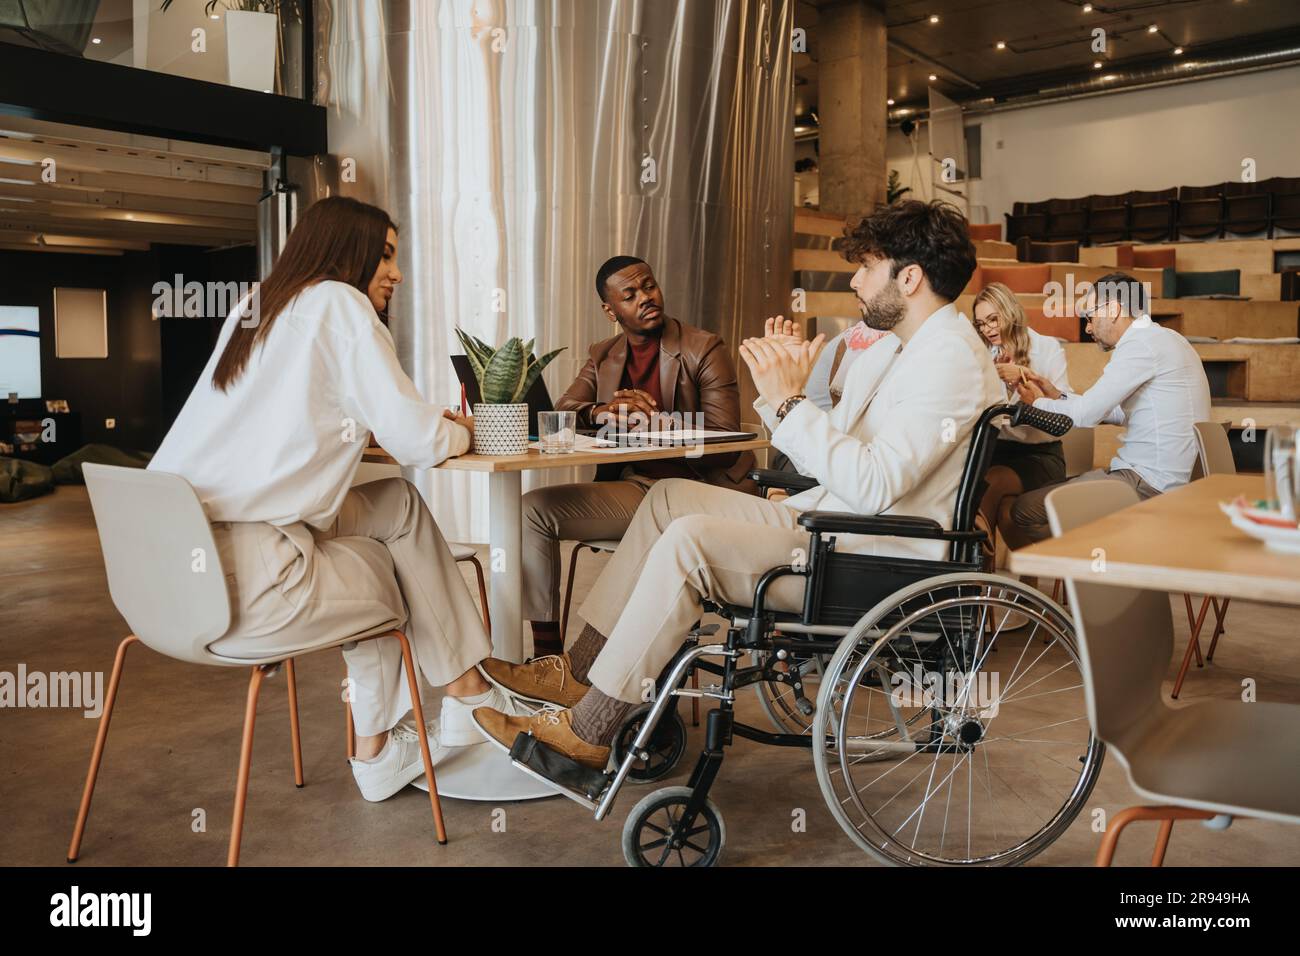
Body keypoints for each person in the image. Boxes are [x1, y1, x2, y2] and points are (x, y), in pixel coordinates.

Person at [472, 199, 1003, 775]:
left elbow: (872, 486)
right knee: (665, 499)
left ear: (909, 277)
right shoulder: (905, 349)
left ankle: (590, 731)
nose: (854, 281)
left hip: (867, 551)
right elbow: (832, 457)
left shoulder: (949, 359)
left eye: (866, 267)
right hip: (827, 520)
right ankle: (577, 674)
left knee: (690, 540)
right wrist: (787, 397)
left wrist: (791, 400)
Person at [149, 196, 533, 803]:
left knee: (397, 506)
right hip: (256, 584)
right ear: (344, 252)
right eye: (384, 255)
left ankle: (468, 694)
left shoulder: (259, 306)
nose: (396, 274)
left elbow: (286, 412)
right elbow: (419, 438)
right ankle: (389, 745)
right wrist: (461, 426)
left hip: (172, 571)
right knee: (390, 571)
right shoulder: (339, 302)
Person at [521, 256, 756, 657]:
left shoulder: (704, 348)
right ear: (610, 310)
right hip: (637, 488)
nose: (646, 298)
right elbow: (564, 410)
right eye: (629, 295)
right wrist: (602, 411)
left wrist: (658, 423)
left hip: (699, 491)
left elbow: (724, 441)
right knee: (531, 510)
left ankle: (616, 666)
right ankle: (548, 658)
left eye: (649, 286)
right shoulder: (604, 354)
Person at [1007, 272, 1211, 546]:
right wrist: (1057, 395)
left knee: (1025, 510)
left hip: (1145, 486)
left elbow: (1086, 416)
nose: (1088, 328)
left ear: (1113, 309)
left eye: (1090, 317)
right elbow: (1118, 412)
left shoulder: (1139, 345)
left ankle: (1098, 563)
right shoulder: (1167, 338)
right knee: (1050, 494)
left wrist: (1036, 403)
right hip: (1164, 482)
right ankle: (1096, 562)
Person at [969, 282, 1072, 556]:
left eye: (993, 319)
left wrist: (1029, 391)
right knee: (1004, 512)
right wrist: (989, 384)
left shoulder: (1047, 348)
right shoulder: (981, 356)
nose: (988, 329)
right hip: (996, 450)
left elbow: (1065, 415)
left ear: (1011, 312)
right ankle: (995, 579)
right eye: (981, 324)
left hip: (1040, 454)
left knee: (988, 483)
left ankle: (977, 574)